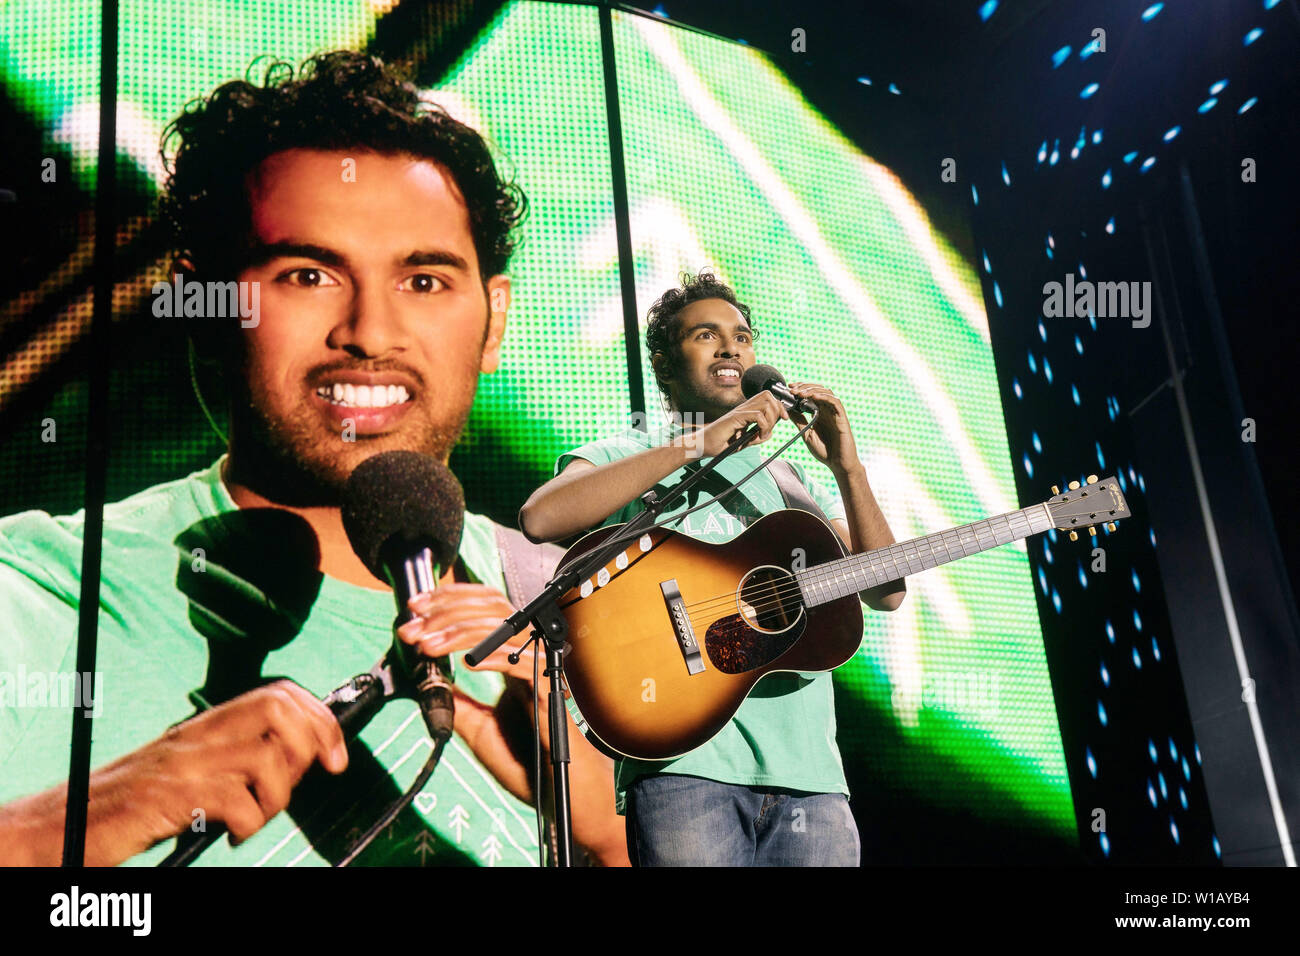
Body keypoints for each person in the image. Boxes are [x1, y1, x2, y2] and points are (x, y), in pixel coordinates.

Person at [0, 51, 627, 867]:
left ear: (494, 319)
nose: (369, 331)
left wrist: (615, 844)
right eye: (308, 274)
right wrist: (81, 822)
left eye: (425, 282)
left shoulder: (583, 630)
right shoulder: (42, 589)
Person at [519, 271, 906, 866]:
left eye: (743, 336)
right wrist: (699, 442)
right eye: (707, 334)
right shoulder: (632, 452)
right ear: (665, 364)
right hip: (683, 765)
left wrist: (848, 471)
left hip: (813, 780)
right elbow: (542, 517)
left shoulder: (789, 483)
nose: (732, 348)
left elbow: (885, 590)